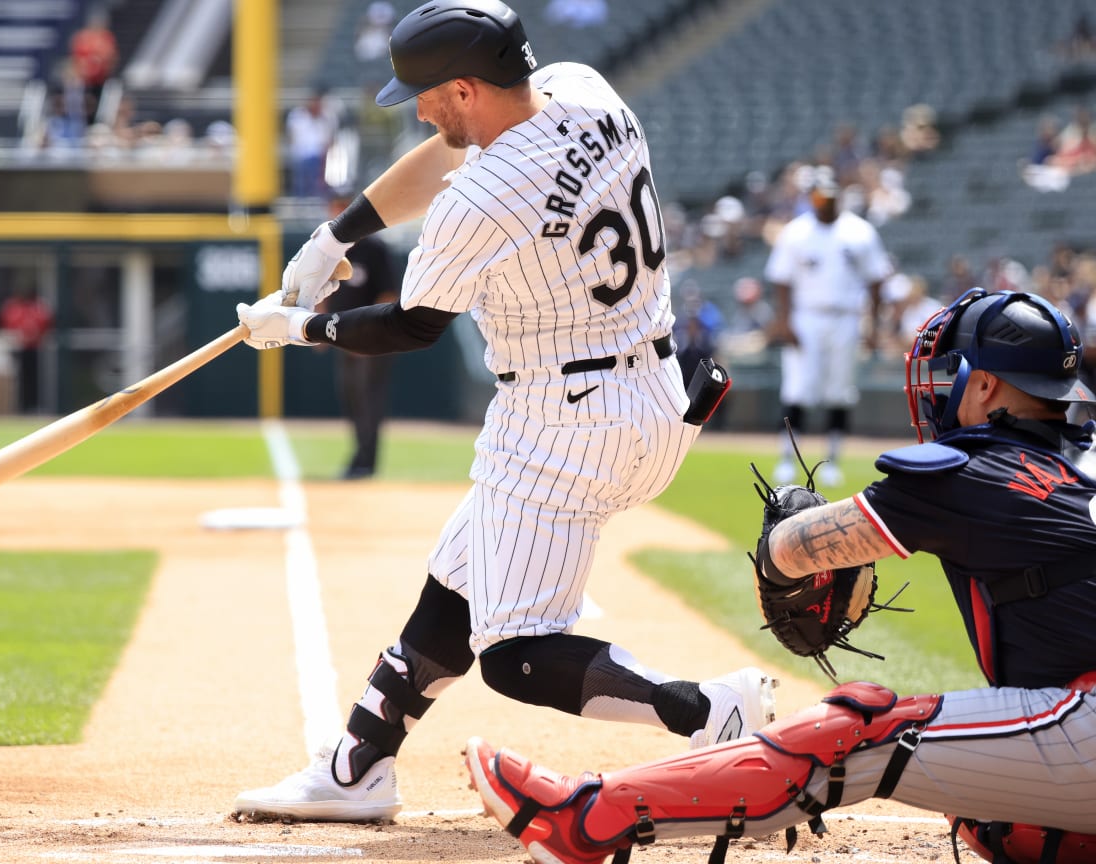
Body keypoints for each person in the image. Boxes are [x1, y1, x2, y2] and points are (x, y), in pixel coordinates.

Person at [230, 0, 775, 822]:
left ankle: (707, 711)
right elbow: (448, 155)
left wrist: (301, 328)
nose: (419, 111)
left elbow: (413, 326)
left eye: (426, 95)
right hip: (654, 394)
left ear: (465, 88)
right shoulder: (582, 88)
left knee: (517, 654)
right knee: (454, 593)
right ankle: (356, 768)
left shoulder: (481, 200)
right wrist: (336, 237)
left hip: (567, 419)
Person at [466, 288, 1096, 864]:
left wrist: (782, 541)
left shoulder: (970, 471)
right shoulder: (1078, 467)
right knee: (1003, 818)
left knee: (857, 733)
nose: (939, 390)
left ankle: (585, 817)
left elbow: (792, 550)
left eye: (951, 373)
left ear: (984, 385)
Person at [765, 169, 892, 488]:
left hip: (846, 316)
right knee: (797, 388)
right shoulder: (796, 232)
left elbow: (876, 280)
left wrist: (873, 326)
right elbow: (781, 280)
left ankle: (832, 460)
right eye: (820, 196)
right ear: (812, 197)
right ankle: (787, 458)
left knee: (840, 389)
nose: (825, 201)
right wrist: (785, 321)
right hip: (806, 316)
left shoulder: (859, 232)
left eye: (830, 196)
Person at [320, 192, 400, 480]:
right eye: (334, 209)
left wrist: (368, 335)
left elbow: (388, 295)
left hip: (371, 341)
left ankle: (366, 462)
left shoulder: (374, 248)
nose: (337, 215)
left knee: (369, 399)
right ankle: (359, 457)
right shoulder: (333, 250)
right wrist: (320, 328)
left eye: (342, 209)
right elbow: (323, 292)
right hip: (343, 337)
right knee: (351, 398)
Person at [0, 284, 52, 414]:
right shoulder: (12, 307)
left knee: (35, 379)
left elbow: (46, 324)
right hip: (17, 349)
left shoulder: (39, 306)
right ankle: (20, 407)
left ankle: (34, 405)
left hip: (35, 349)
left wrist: (35, 336)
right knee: (18, 380)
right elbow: (5, 324)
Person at [285, 88, 341, 199]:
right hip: (301, 156)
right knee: (304, 174)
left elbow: (330, 139)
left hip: (320, 157)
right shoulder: (297, 116)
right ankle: (302, 200)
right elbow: (292, 137)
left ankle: (317, 199)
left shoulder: (327, 117)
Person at [67, 8, 118, 126]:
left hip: (100, 79)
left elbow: (111, 56)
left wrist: (103, 65)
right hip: (84, 80)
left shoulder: (106, 38)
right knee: (83, 104)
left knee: (99, 103)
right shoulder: (82, 37)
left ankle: (96, 122)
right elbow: (75, 58)